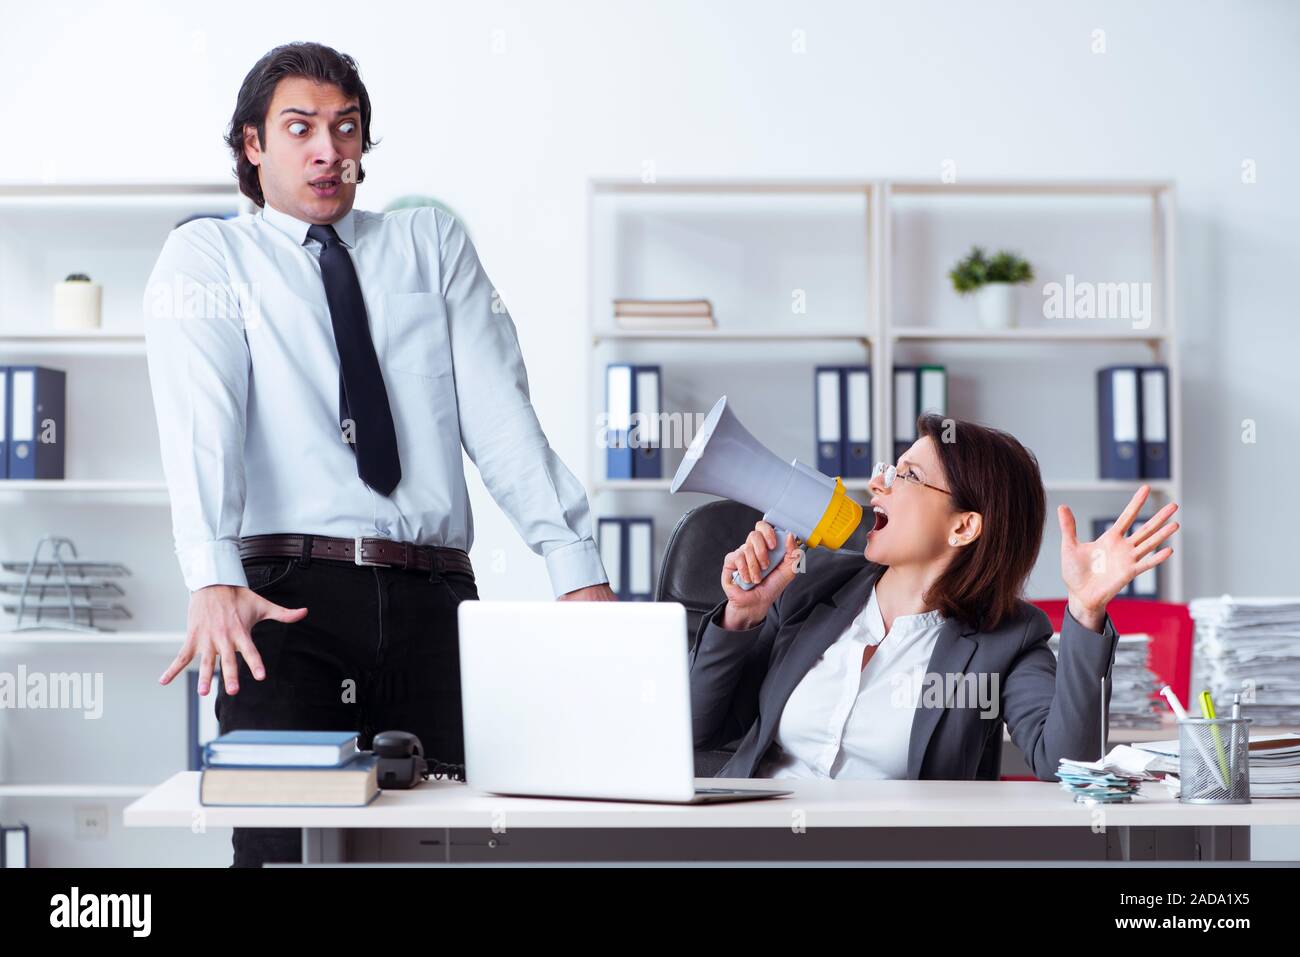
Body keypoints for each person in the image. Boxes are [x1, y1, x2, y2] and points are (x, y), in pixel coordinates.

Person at [143, 42, 615, 867]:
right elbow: (201, 421)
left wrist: (575, 565)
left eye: (346, 128)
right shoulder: (210, 259)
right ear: (254, 145)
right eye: (300, 129)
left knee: (447, 843)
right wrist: (213, 576)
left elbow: (503, 416)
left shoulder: (429, 246)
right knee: (283, 851)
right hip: (286, 607)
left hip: (434, 597)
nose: (329, 149)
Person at [690, 413, 1179, 781]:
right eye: (889, 469)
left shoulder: (1005, 639)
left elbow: (1069, 764)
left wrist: (1085, 609)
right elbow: (697, 733)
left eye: (905, 475)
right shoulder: (812, 589)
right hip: (755, 846)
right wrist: (742, 617)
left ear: (964, 526)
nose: (876, 484)